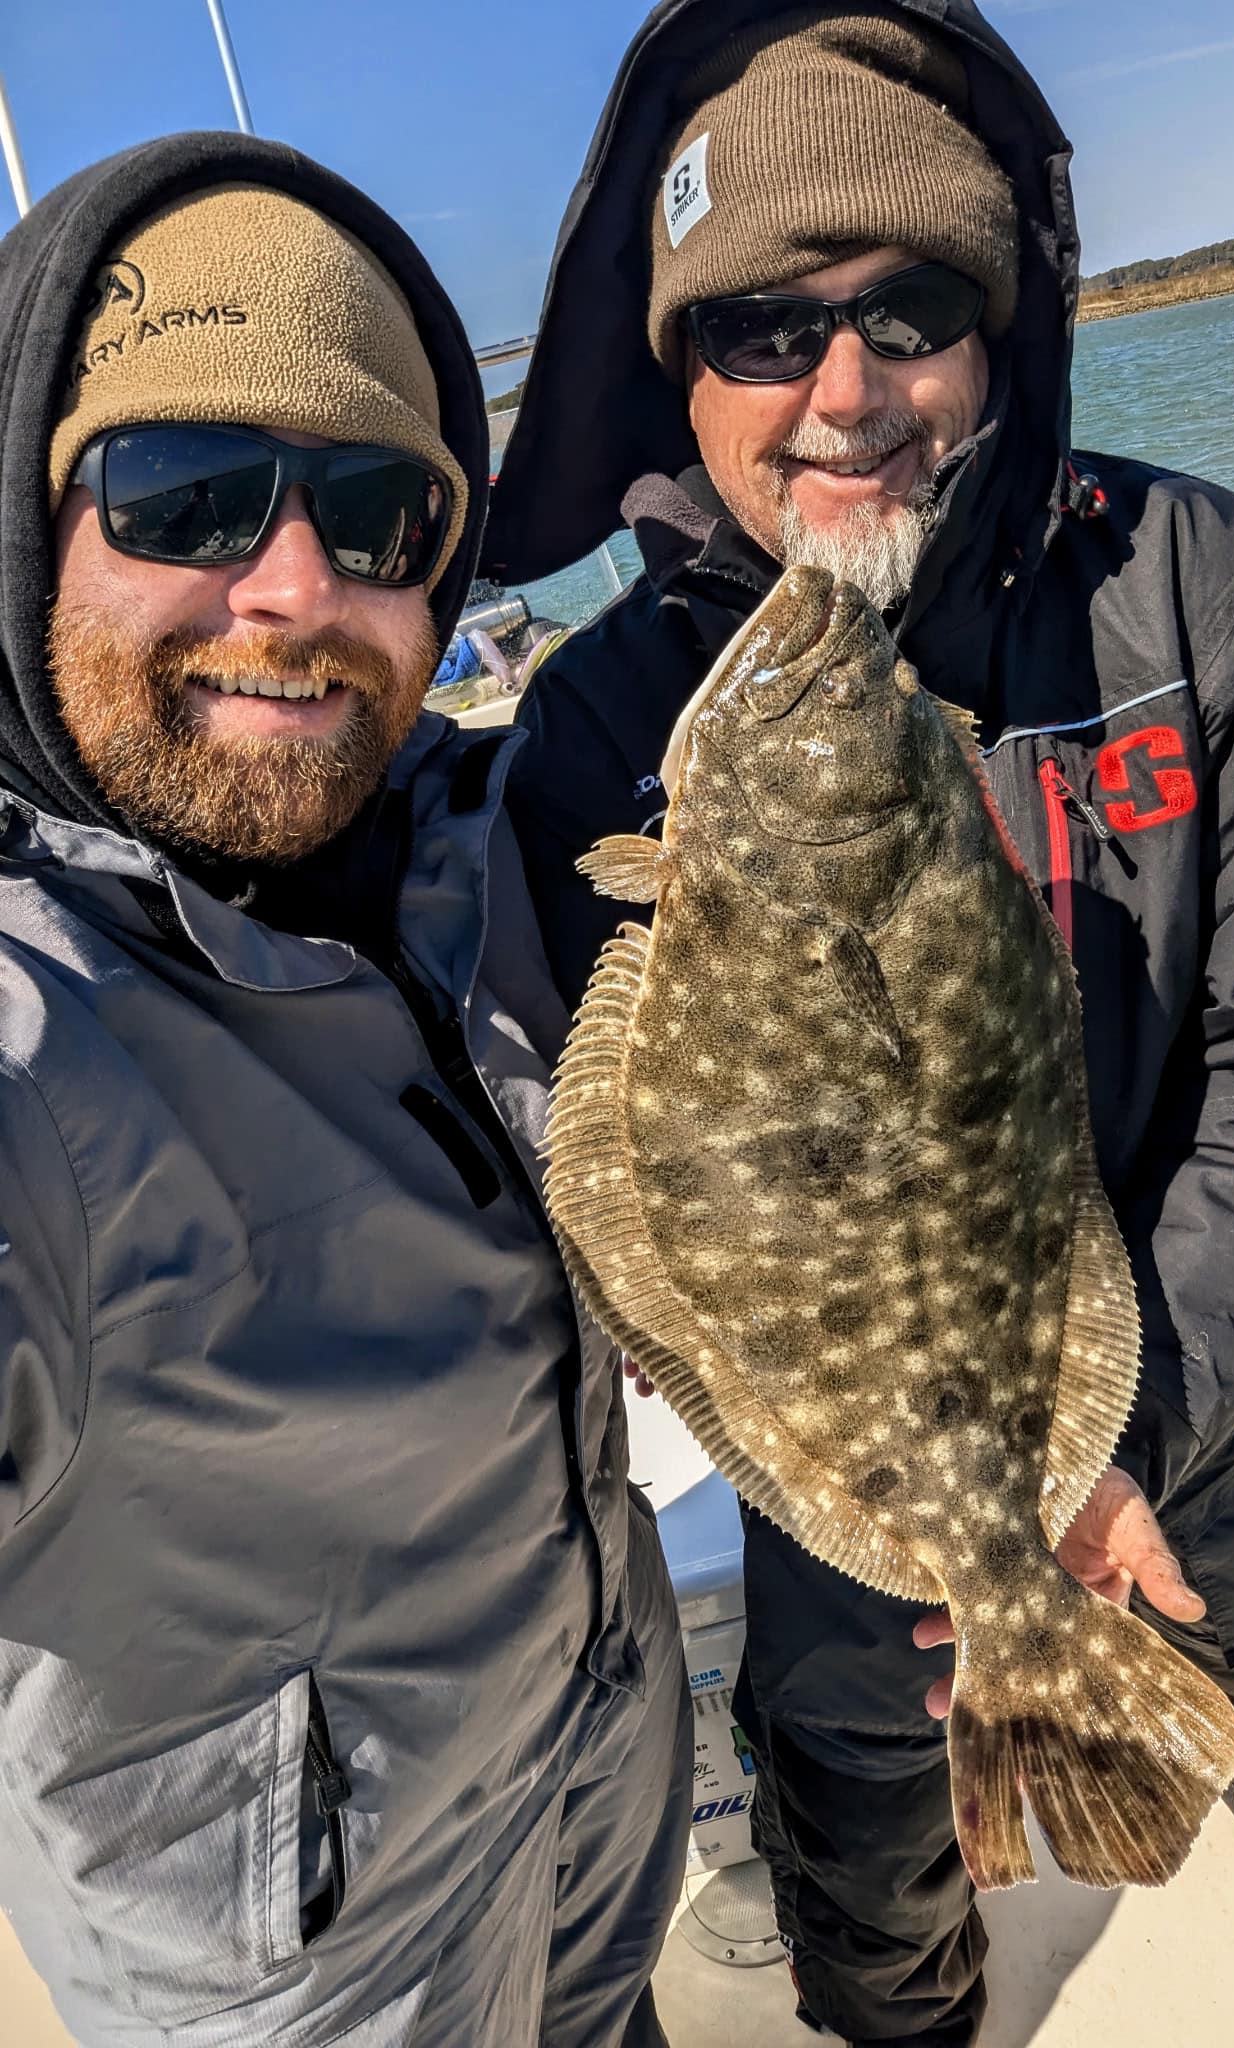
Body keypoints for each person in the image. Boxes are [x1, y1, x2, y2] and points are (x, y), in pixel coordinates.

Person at [485, 4, 1234, 2042]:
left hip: (1192, 1369)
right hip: (850, 1477)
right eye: (763, 328)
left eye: (913, 307)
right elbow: (567, 1128)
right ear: (682, 365)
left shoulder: (1209, 596)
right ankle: (904, 2007)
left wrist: (1140, 1411)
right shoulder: (590, 729)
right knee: (866, 1815)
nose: (843, 392)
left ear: (1001, 330)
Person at [0, 134, 687, 2047]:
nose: (293, 584)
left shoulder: (464, 845)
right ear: (25, 525)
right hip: (319, 1979)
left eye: (380, 517)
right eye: (187, 491)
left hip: (596, 1776)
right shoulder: (35, 1050)